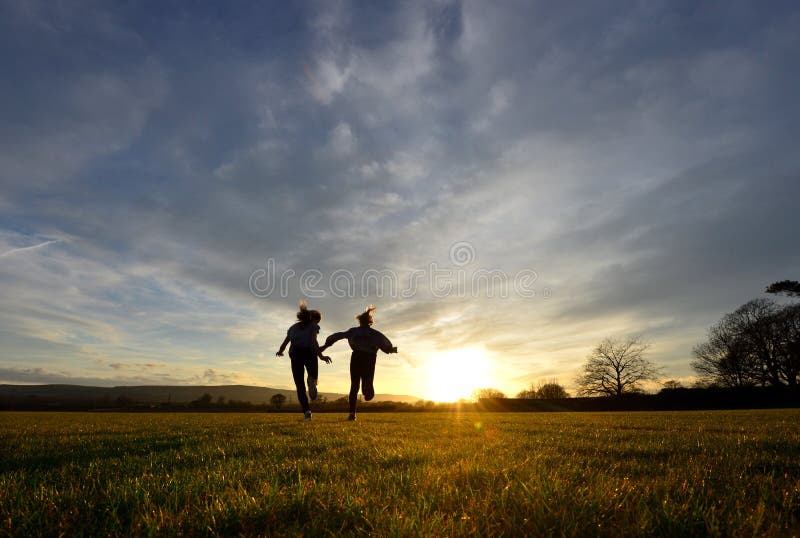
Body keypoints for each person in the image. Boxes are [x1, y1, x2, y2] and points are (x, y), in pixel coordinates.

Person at [320, 305, 397, 421]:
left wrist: (326, 345)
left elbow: (338, 336)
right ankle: (367, 386)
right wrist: (390, 349)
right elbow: (385, 345)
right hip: (370, 359)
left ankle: (352, 413)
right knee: (368, 382)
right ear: (371, 322)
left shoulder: (353, 331)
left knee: (354, 386)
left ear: (360, 321)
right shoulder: (375, 334)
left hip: (356, 357)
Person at [276, 301, 332, 420]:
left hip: (295, 354)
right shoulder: (313, 326)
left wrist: (281, 351)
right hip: (308, 353)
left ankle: (307, 412)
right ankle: (312, 379)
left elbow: (286, 341)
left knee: (299, 385)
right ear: (314, 320)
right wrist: (321, 356)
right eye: (318, 322)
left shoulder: (292, 328)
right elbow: (313, 342)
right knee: (313, 374)